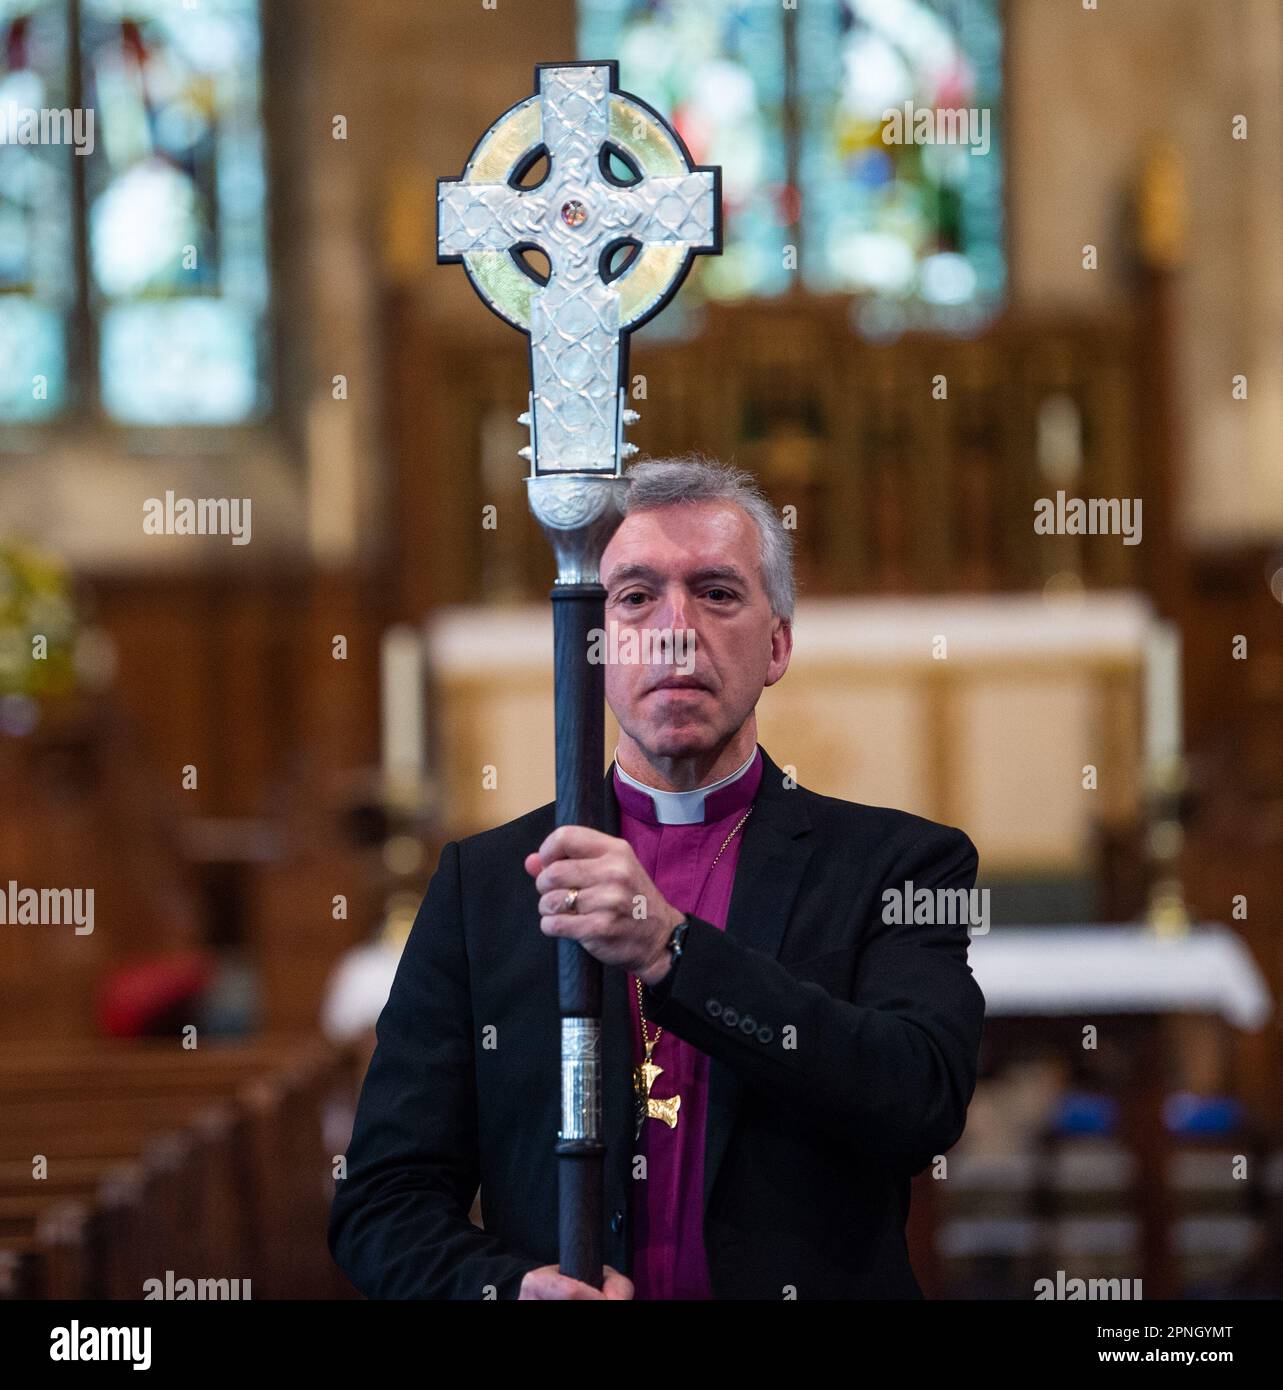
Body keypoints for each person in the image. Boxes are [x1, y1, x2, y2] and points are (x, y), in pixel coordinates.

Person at [327, 455, 986, 1300]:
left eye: (716, 593)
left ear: (777, 644)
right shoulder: (481, 886)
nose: (676, 630)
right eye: (636, 596)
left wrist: (673, 951)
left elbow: (920, 1103)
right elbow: (383, 1203)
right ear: (591, 644)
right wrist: (506, 1290)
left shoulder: (900, 863)